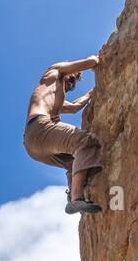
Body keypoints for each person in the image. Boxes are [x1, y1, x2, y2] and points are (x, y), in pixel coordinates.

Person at [23, 55, 102, 213]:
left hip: (33, 146)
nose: (70, 84)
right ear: (68, 70)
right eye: (71, 78)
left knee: (74, 160)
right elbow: (92, 62)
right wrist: (99, 58)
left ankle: (73, 194)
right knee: (84, 141)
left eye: (72, 84)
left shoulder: (54, 97)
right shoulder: (54, 71)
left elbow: (74, 107)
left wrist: (91, 93)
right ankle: (75, 198)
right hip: (39, 128)